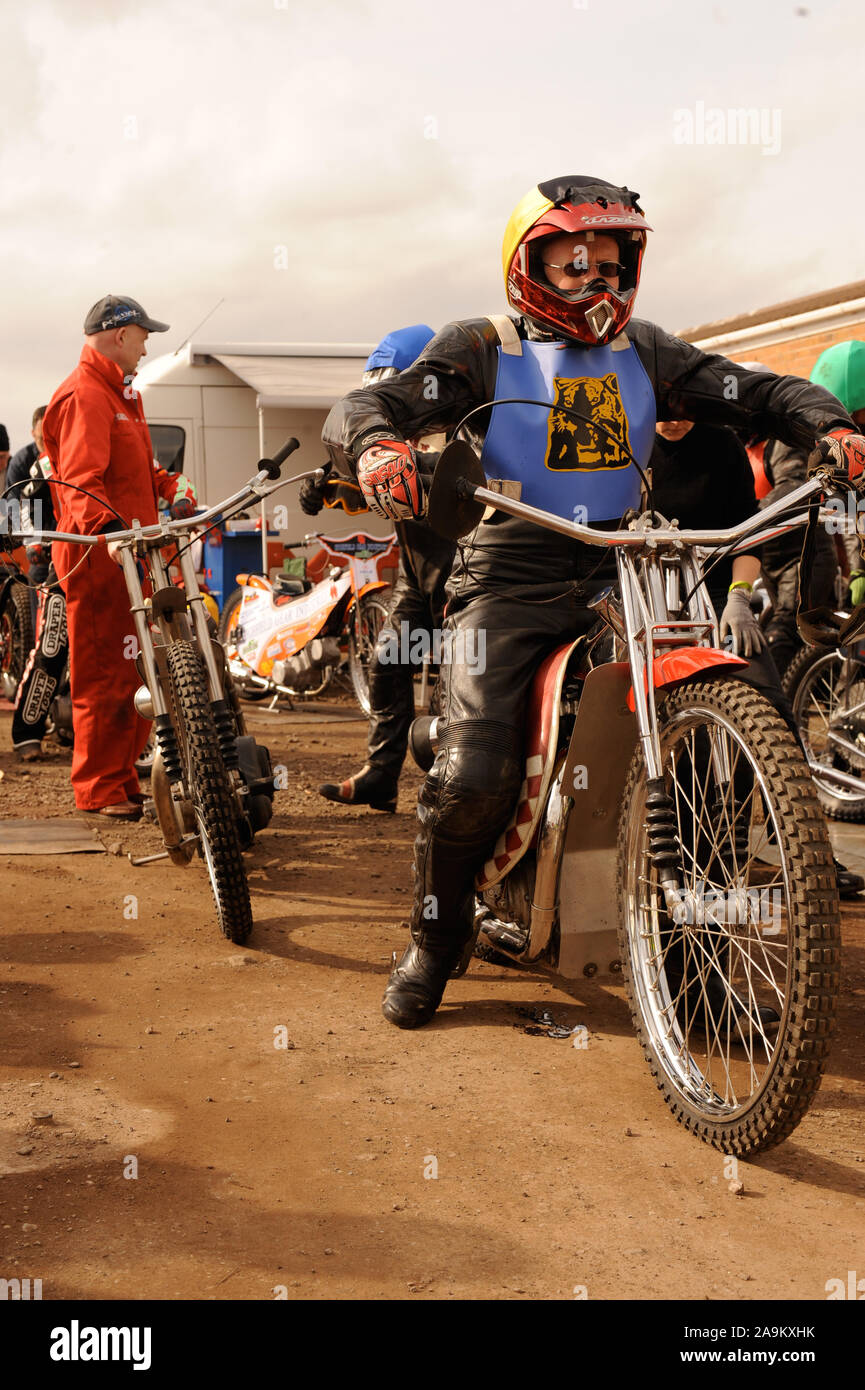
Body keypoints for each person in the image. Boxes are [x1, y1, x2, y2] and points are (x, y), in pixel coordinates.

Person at [323, 174, 865, 1029]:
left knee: (695, 764)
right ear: (529, 263)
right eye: (575, 265)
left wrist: (830, 426)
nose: (596, 283)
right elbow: (372, 402)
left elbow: (755, 390)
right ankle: (437, 934)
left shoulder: (648, 350)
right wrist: (377, 446)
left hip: (624, 561)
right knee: (472, 776)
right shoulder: (481, 346)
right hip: (505, 568)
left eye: (610, 266)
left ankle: (692, 959)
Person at [650, 418, 863, 897]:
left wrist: (740, 597)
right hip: (642, 595)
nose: (676, 417)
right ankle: (679, 855)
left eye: (686, 406)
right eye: (664, 408)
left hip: (720, 597)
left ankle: (808, 854)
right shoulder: (630, 443)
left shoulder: (721, 443)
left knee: (772, 709)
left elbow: (746, 537)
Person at [42, 293, 186, 818]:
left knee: (136, 674)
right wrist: (109, 531)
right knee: (105, 676)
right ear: (121, 334)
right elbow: (81, 482)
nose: (148, 346)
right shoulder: (85, 395)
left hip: (132, 558)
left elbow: (141, 473)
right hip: (101, 560)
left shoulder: (121, 395)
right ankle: (99, 787)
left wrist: (175, 489)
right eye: (145, 335)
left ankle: (123, 777)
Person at [302, 325, 456, 812]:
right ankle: (381, 775)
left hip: (469, 582)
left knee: (463, 688)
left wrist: (417, 461)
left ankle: (457, 788)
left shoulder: (470, 429)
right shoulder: (391, 442)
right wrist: (327, 489)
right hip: (416, 582)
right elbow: (368, 491)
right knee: (387, 665)